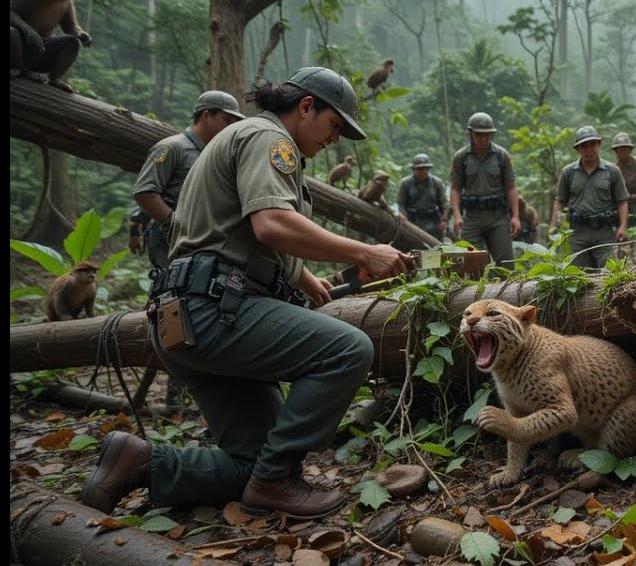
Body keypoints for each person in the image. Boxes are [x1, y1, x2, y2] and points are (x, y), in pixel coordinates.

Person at [80, 67, 415, 520]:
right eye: (335, 124)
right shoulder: (269, 138)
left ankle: (136, 461)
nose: (335, 139)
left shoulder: (244, 138)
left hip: (182, 316)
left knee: (252, 465)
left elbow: (232, 230)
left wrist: (304, 278)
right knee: (348, 350)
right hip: (216, 310)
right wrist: (365, 251)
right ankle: (275, 481)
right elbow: (271, 223)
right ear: (306, 106)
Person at [129, 90, 245, 414]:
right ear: (206, 115)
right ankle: (173, 400)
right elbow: (145, 192)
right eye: (226, 119)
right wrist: (173, 223)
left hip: (201, 244)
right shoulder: (173, 148)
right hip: (170, 241)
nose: (229, 126)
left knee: (197, 311)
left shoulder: (213, 154)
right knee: (175, 311)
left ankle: (188, 392)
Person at [450, 112, 521, 269]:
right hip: (472, 218)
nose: (483, 139)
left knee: (506, 265)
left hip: (498, 217)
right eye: (479, 135)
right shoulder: (461, 157)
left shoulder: (502, 156)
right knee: (468, 264)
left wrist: (516, 217)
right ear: (470, 134)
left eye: (487, 135)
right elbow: (455, 189)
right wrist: (457, 215)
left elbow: (511, 188)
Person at [552, 126, 630, 270]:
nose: (589, 150)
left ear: (599, 145)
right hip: (576, 233)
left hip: (605, 233)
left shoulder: (612, 171)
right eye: (584, 146)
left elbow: (622, 201)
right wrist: (553, 227)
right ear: (577, 149)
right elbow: (560, 201)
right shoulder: (568, 172)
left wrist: (623, 227)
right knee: (576, 274)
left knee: (610, 272)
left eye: (592, 144)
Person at [397, 153, 448, 241]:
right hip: (413, 220)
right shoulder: (405, 183)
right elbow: (401, 203)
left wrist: (444, 220)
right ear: (414, 170)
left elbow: (443, 203)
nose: (422, 171)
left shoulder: (437, 183)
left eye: (425, 168)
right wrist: (403, 216)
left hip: (432, 220)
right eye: (419, 169)